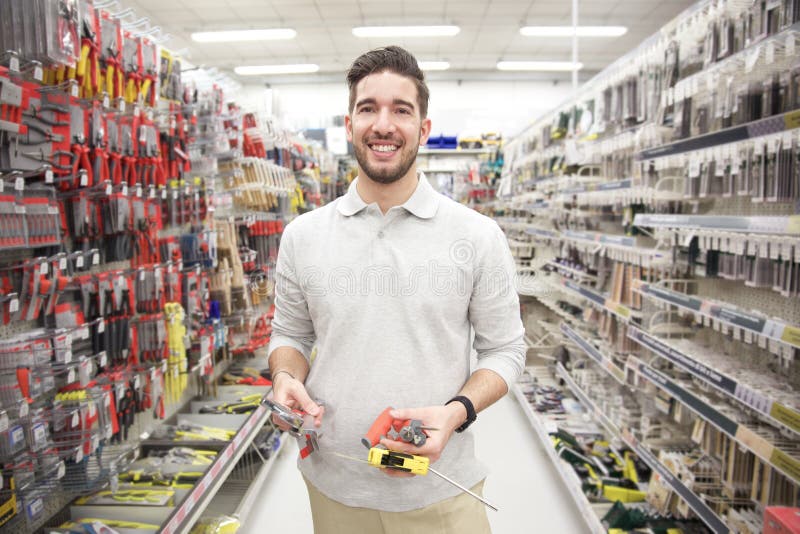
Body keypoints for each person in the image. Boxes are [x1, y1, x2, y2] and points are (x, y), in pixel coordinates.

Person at [267, 45, 525, 534]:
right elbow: (290, 335)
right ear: (349, 124)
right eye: (368, 108)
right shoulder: (302, 235)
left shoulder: (477, 235)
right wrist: (284, 378)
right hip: (334, 488)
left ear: (422, 128)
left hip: (442, 491)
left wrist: (457, 413)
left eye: (401, 110)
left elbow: (506, 349)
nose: (383, 125)